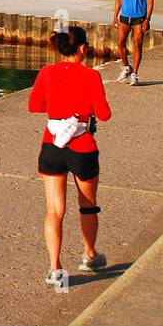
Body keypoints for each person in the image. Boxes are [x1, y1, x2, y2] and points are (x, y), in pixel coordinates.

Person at [29, 25, 112, 285]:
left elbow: (34, 106)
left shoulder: (47, 72)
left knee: (54, 209)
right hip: (82, 147)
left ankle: (55, 268)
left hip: (52, 146)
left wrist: (57, 107)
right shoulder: (90, 76)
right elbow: (105, 113)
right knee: (88, 205)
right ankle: (89, 255)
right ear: (83, 48)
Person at [113, 0, 154, 86]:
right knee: (120, 42)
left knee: (137, 43)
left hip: (139, 17)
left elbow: (150, 0)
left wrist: (147, 19)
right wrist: (115, 16)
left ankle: (135, 74)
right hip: (125, 16)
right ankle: (126, 67)